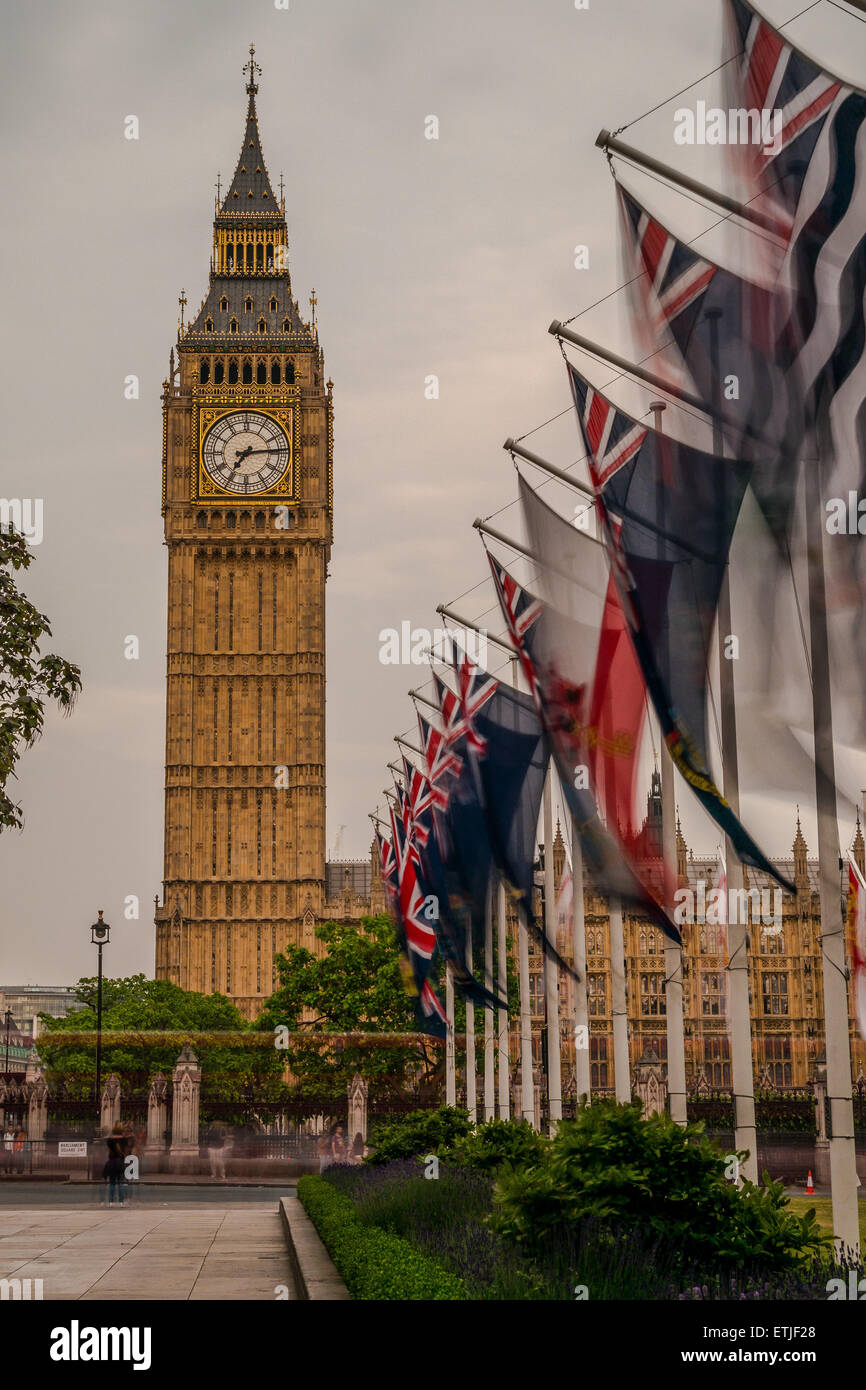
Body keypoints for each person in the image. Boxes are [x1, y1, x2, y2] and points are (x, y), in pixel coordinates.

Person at [103, 1123, 127, 1207]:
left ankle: (110, 1202)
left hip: (112, 1162)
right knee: (120, 1183)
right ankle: (121, 1202)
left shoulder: (110, 1140)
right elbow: (125, 1150)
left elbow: (108, 1148)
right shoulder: (124, 1139)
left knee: (112, 1183)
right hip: (120, 1162)